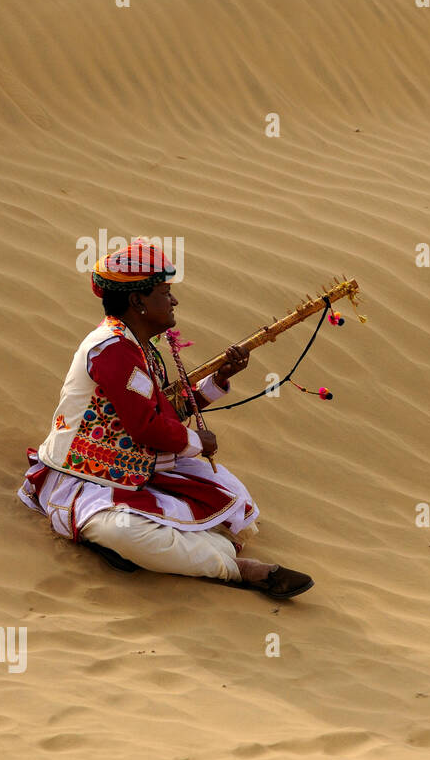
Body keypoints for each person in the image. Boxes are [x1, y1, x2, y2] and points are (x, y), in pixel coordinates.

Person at [18, 237, 313, 599]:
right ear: (137, 301)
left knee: (235, 500)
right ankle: (236, 571)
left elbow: (164, 412)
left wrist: (218, 382)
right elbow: (146, 426)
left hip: (135, 469)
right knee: (124, 532)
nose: (173, 300)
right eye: (164, 292)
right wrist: (196, 442)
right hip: (83, 478)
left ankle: (179, 552)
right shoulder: (110, 349)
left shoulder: (138, 347)